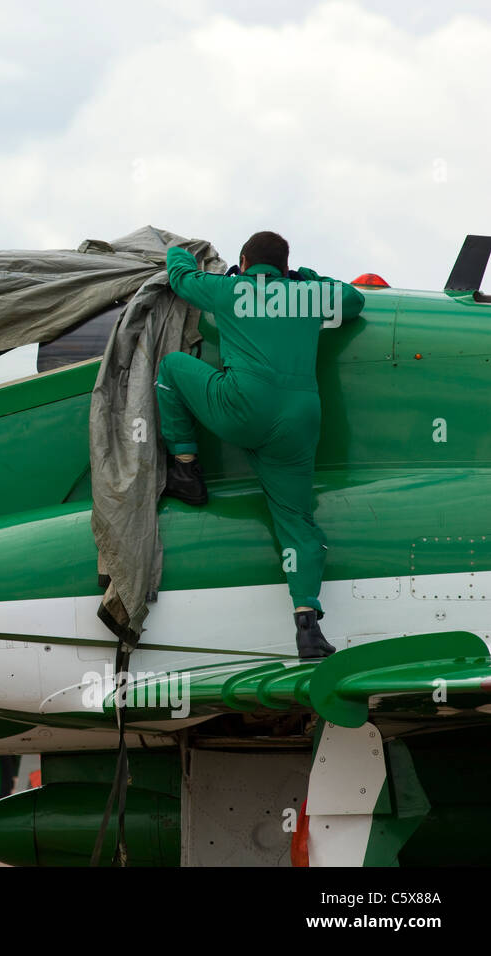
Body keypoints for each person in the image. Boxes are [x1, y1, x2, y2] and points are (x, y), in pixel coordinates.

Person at [155, 232, 365, 659]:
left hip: (238, 408)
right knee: (296, 523)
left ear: (244, 260)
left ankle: (185, 466)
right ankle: (308, 626)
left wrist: (176, 247)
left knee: (172, 367)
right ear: (286, 266)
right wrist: (305, 278)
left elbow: (180, 277)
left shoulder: (231, 289)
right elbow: (353, 300)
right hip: (297, 423)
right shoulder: (308, 295)